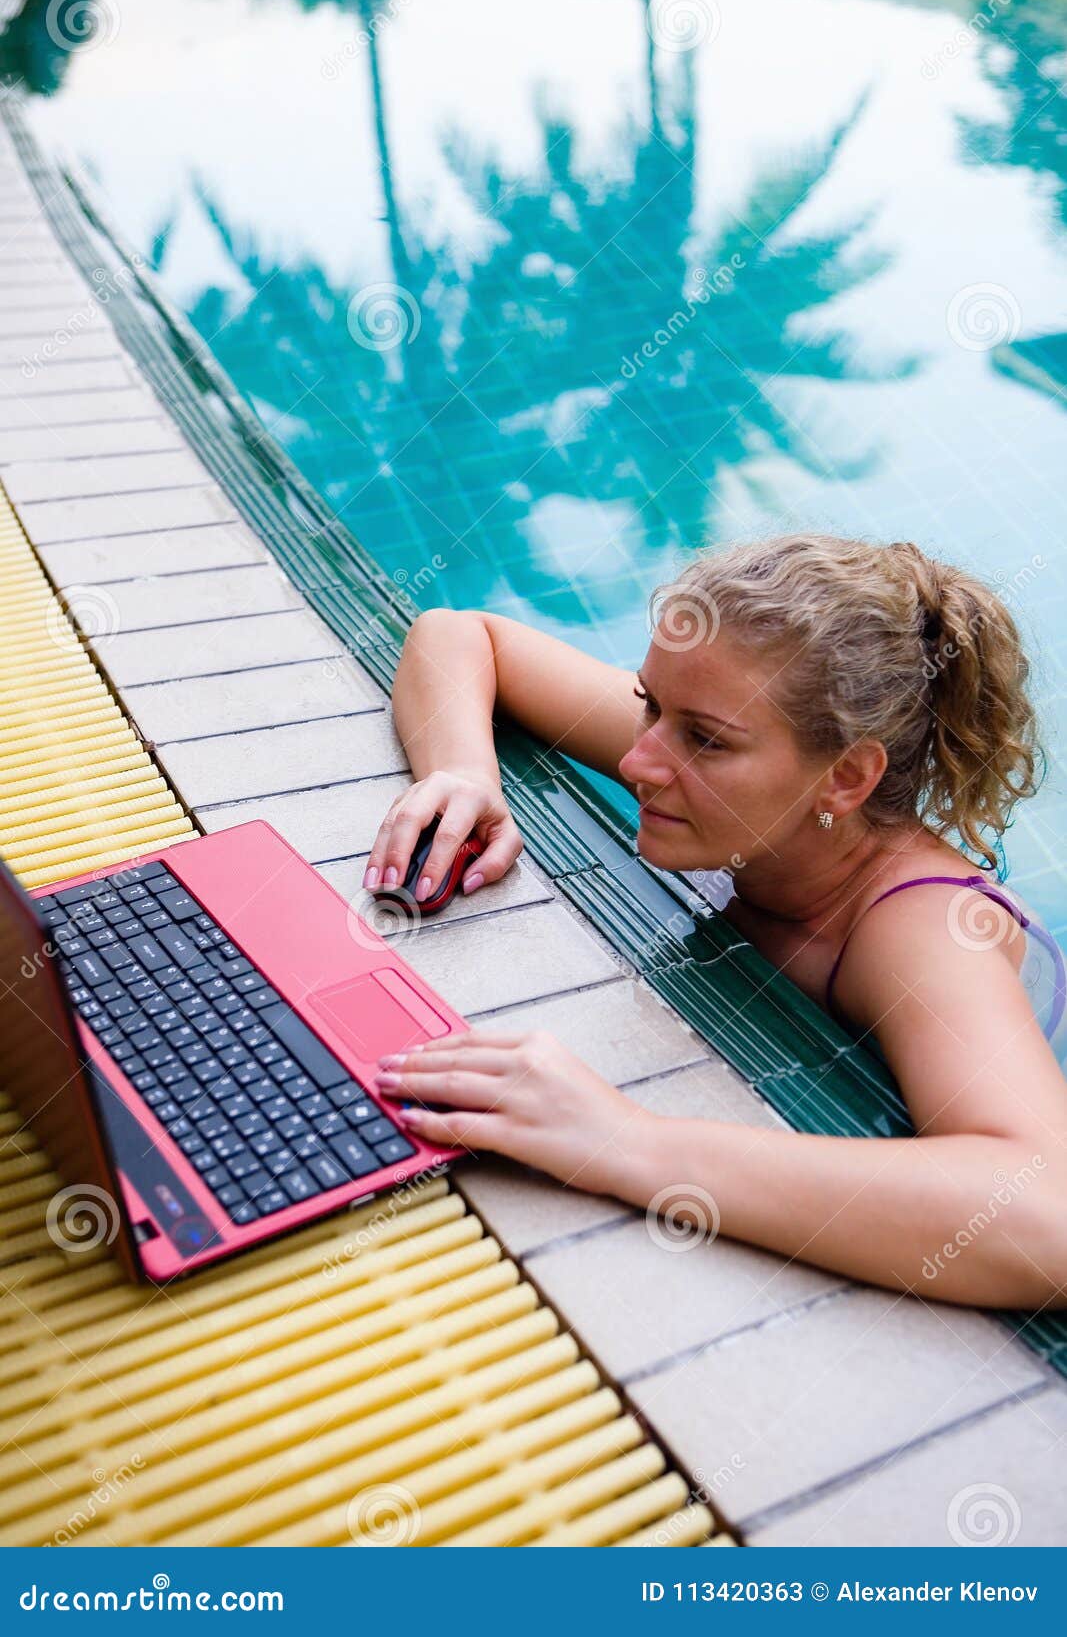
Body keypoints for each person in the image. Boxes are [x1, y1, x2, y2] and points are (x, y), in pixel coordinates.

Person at [363, 534, 1067, 1309]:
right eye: (649, 706)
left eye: (704, 739)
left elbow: (1044, 1216)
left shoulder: (920, 929)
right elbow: (461, 634)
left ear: (845, 777)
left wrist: (626, 1141)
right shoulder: (733, 776)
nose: (638, 764)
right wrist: (462, 770)